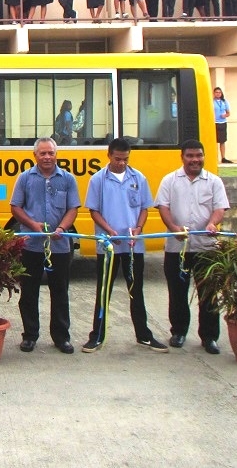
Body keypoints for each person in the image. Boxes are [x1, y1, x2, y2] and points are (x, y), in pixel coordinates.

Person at [81, 137, 167, 353]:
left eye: (125, 159)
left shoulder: (138, 178)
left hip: (132, 245)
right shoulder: (98, 180)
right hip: (108, 246)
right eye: (118, 159)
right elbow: (94, 211)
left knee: (135, 290)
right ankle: (97, 336)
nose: (121, 163)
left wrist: (138, 228)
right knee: (104, 292)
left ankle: (144, 335)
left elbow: (145, 208)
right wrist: (108, 230)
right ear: (109, 155)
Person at [156, 139, 229, 354]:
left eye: (199, 155)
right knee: (177, 293)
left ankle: (209, 337)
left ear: (204, 156)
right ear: (182, 157)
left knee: (209, 294)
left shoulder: (214, 182)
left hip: (206, 247)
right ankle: (178, 332)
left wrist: (212, 223)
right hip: (176, 249)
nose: (195, 160)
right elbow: (163, 206)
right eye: (190, 156)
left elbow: (220, 208)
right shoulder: (170, 180)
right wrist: (173, 227)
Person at [10, 137, 80, 354]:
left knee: (60, 291)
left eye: (50, 153)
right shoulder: (25, 178)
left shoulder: (67, 179)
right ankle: (30, 335)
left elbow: (73, 208)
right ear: (35, 156)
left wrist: (62, 228)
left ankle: (61, 337)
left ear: (56, 154)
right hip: (31, 245)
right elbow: (15, 207)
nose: (47, 157)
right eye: (43, 153)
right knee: (29, 292)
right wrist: (32, 224)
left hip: (59, 246)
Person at [213, 87, 231, 163]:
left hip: (223, 122)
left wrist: (225, 115)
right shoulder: (211, 102)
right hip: (214, 123)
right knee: (214, 140)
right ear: (214, 93)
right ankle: (214, 157)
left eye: (219, 92)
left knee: (222, 141)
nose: (218, 94)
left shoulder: (224, 102)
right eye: (216, 92)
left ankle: (223, 158)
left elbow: (228, 113)